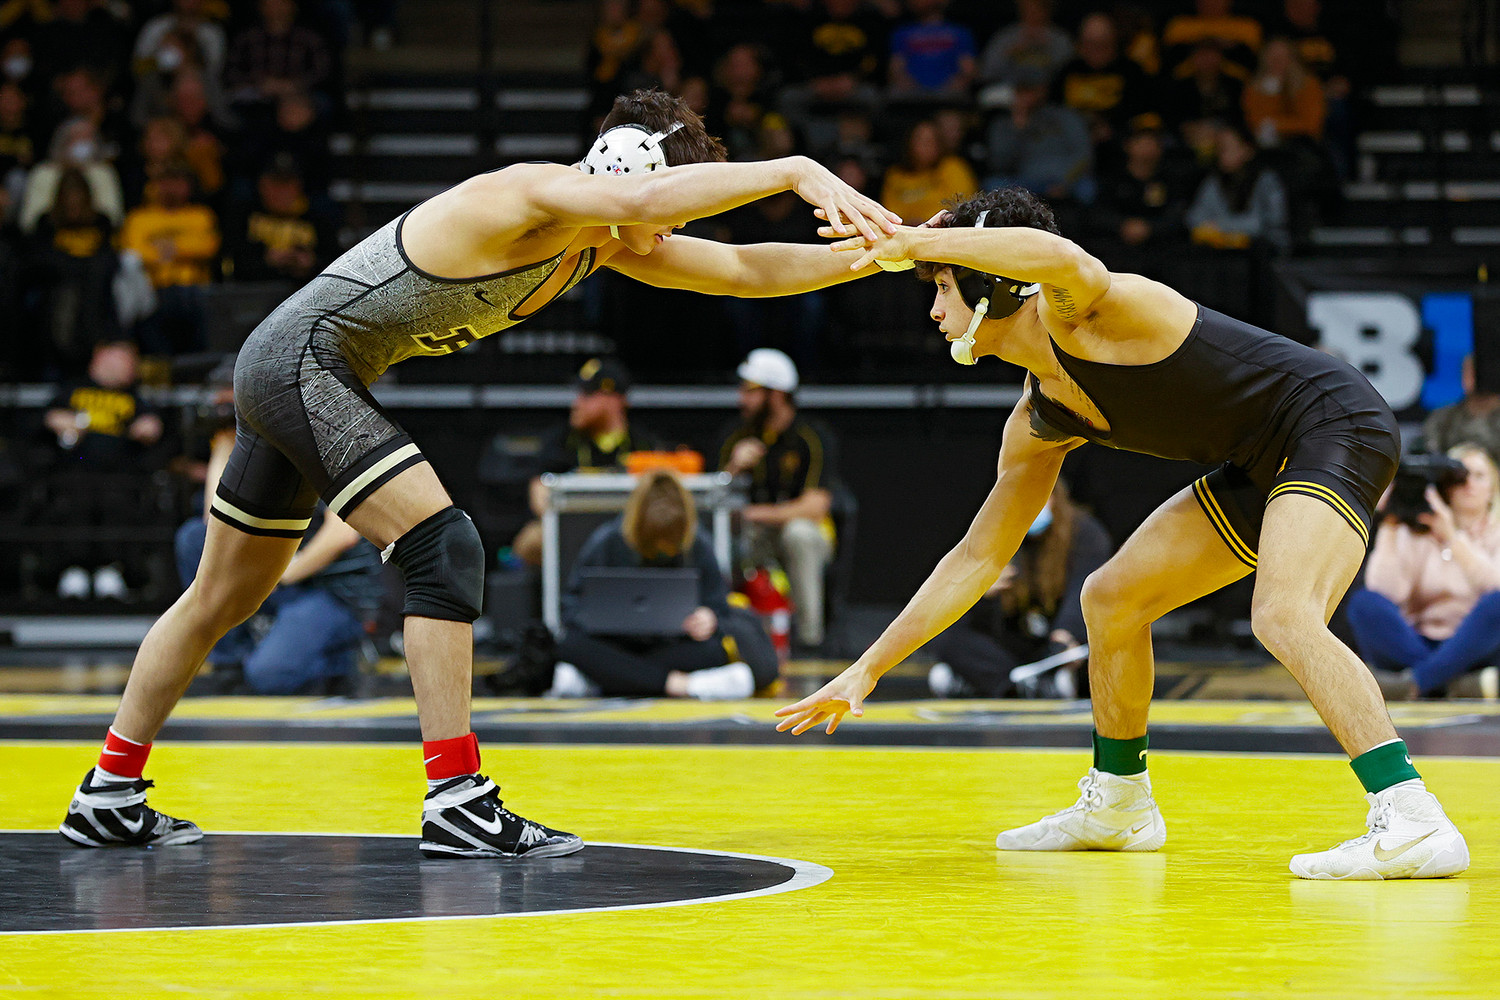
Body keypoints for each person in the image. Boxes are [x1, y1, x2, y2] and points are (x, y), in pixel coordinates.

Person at [56, 87, 901, 860]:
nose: (677, 227)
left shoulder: (597, 248)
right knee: (443, 547)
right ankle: (457, 797)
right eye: (676, 202)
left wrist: (882, 253)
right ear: (629, 169)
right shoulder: (528, 193)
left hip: (291, 364)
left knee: (219, 598)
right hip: (301, 363)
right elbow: (648, 205)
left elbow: (746, 272)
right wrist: (795, 168)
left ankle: (107, 792)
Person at [776, 185, 1470, 880]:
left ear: (994, 283)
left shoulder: (1089, 311)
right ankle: (1119, 804)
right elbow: (976, 558)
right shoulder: (1039, 419)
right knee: (1111, 599)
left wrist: (916, 240)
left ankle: (1411, 814)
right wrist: (869, 666)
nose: (933, 309)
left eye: (944, 287)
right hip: (1261, 459)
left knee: (1283, 612)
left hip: (1333, 422)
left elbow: (1058, 255)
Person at [545, 469, 779, 699]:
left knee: (713, 651)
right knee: (571, 644)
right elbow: (571, 608)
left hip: (672, 645)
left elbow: (719, 605)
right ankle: (681, 685)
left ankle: (607, 681)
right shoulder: (607, 541)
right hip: (618, 643)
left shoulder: (698, 544)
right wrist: (593, 619)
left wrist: (708, 618)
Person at [927, 476, 1111, 699]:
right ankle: (1024, 684)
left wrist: (1067, 632)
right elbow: (976, 619)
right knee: (945, 635)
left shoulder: (1084, 532)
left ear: (1055, 498)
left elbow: (1085, 588)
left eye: (1040, 497)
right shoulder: (993, 534)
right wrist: (983, 595)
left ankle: (991, 681)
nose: (1032, 507)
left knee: (1098, 646)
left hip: (1057, 641)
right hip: (1010, 642)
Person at [1346, 444, 1500, 699]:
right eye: (1460, 477)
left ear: (1493, 488)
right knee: (1364, 603)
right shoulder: (1418, 528)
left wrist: (1452, 537)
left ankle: (1414, 683)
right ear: (1445, 485)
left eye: (1479, 476)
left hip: (1477, 647)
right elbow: (1385, 592)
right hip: (1416, 642)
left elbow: (1494, 585)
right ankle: (1451, 683)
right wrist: (1390, 525)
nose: (1468, 484)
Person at [718, 348, 836, 648]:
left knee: (799, 534)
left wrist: (755, 514)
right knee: (727, 536)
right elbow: (715, 503)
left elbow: (816, 507)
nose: (741, 399)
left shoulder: (811, 437)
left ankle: (810, 640)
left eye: (750, 390)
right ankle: (728, 631)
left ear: (776, 394)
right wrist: (733, 468)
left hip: (808, 534)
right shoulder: (736, 436)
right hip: (754, 535)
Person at [509, 356, 664, 567]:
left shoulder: (644, 445)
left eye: (588, 395)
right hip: (570, 528)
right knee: (531, 541)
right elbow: (539, 494)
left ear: (615, 399)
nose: (577, 403)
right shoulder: (561, 441)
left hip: (628, 530)